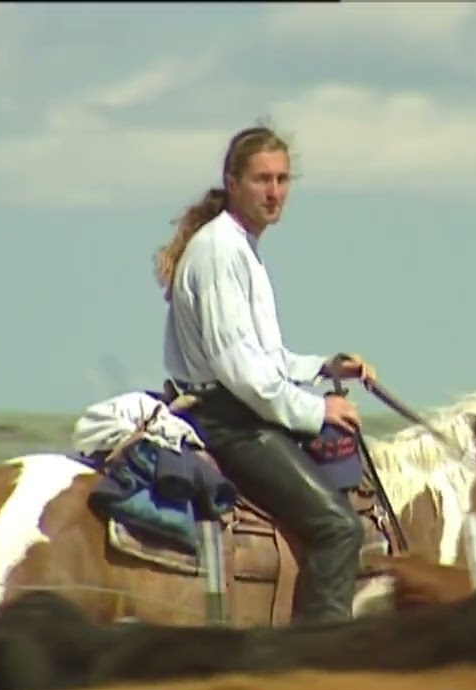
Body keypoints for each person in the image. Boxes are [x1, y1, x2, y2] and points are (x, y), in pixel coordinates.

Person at [152, 124, 374, 624]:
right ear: (232, 183)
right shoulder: (219, 252)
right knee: (340, 528)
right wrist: (319, 410)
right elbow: (243, 373)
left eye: (282, 179)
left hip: (241, 408)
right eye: (261, 179)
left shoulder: (240, 247)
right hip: (231, 422)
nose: (274, 192)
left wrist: (323, 368)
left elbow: (264, 357)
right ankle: (320, 656)